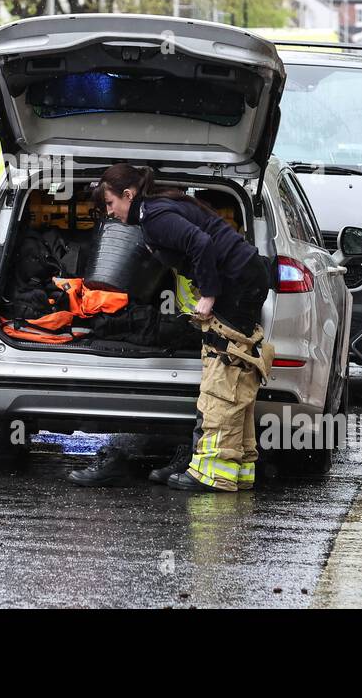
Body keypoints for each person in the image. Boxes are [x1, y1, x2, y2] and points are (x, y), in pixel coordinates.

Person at [68, 164, 273, 492]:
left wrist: (208, 293)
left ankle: (210, 473)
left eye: (109, 204)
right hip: (247, 278)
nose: (110, 212)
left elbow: (201, 243)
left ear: (128, 194)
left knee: (221, 376)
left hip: (237, 284)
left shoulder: (154, 217)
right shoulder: (157, 210)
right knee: (237, 371)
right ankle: (239, 467)